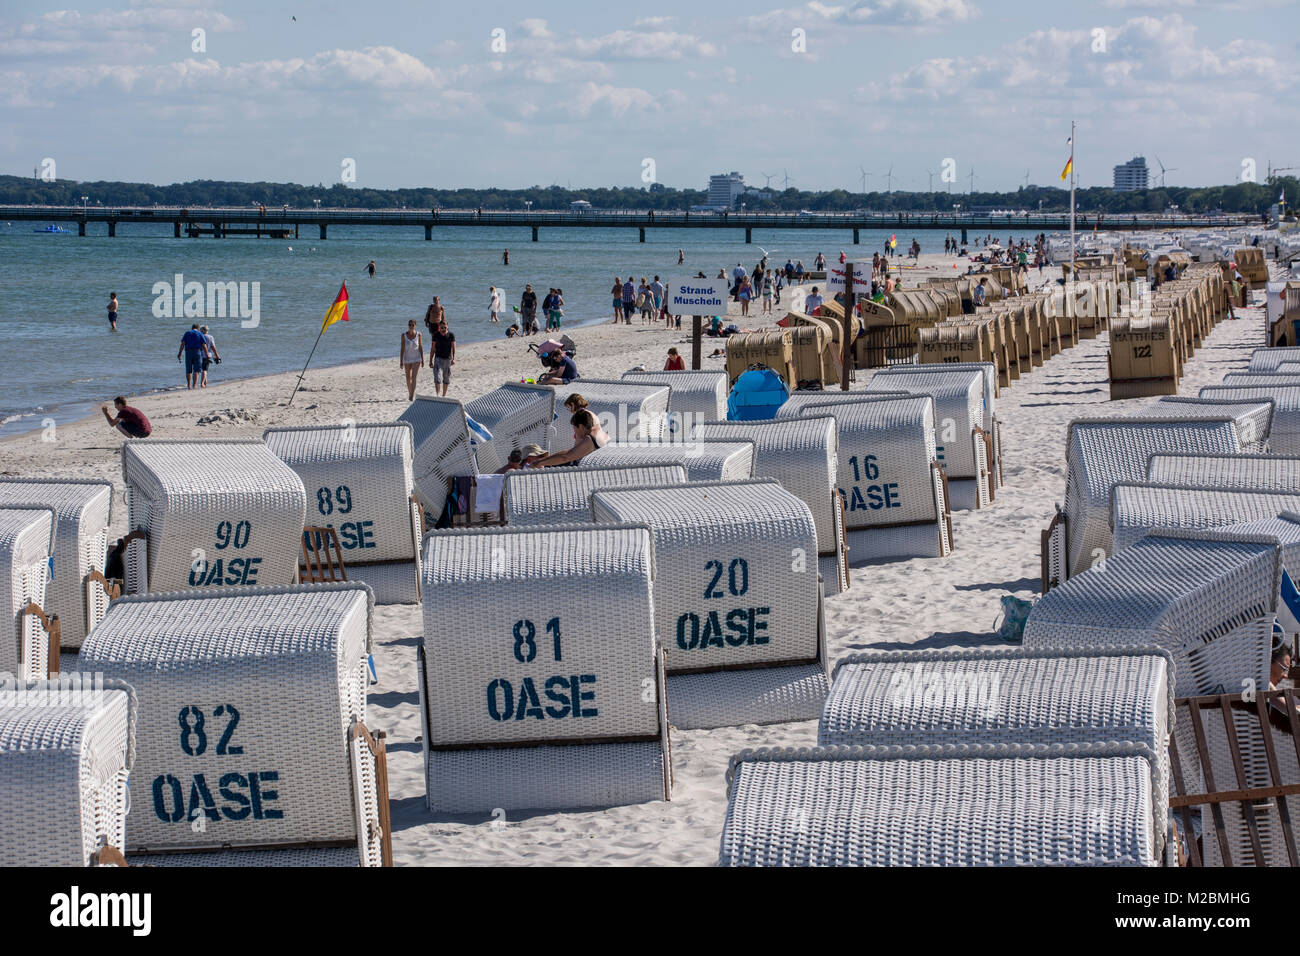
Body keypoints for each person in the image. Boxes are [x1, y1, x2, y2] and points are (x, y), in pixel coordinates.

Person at [528, 409, 608, 467]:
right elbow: (569, 453)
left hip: (577, 469)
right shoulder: (597, 432)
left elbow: (565, 457)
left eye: (574, 428)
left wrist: (540, 462)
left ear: (580, 426)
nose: (574, 431)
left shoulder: (589, 440)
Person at [177, 323, 211, 390]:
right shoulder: (200, 334)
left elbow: (183, 344)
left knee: (188, 369)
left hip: (188, 352)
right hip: (197, 352)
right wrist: (207, 355)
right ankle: (194, 385)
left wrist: (179, 353)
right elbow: (204, 345)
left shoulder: (187, 333)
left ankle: (189, 385)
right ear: (198, 328)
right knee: (196, 369)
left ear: (192, 327)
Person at [399, 319, 424, 400]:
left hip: (416, 358)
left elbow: (420, 347)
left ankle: (411, 395)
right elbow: (402, 348)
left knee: (413, 377)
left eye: (412, 325)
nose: (411, 326)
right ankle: (410, 392)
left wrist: (422, 359)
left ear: (415, 326)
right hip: (407, 358)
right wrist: (401, 361)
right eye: (410, 325)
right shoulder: (404, 335)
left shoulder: (419, 335)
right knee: (408, 377)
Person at [430, 319, 456, 396]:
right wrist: (430, 360)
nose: (443, 329)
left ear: (447, 327)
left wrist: (454, 358)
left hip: (447, 359)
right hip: (438, 358)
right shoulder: (436, 335)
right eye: (441, 328)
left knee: (446, 378)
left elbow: (453, 348)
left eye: (445, 328)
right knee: (437, 377)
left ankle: (444, 395)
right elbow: (433, 348)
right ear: (439, 328)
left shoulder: (451, 335)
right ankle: (438, 395)